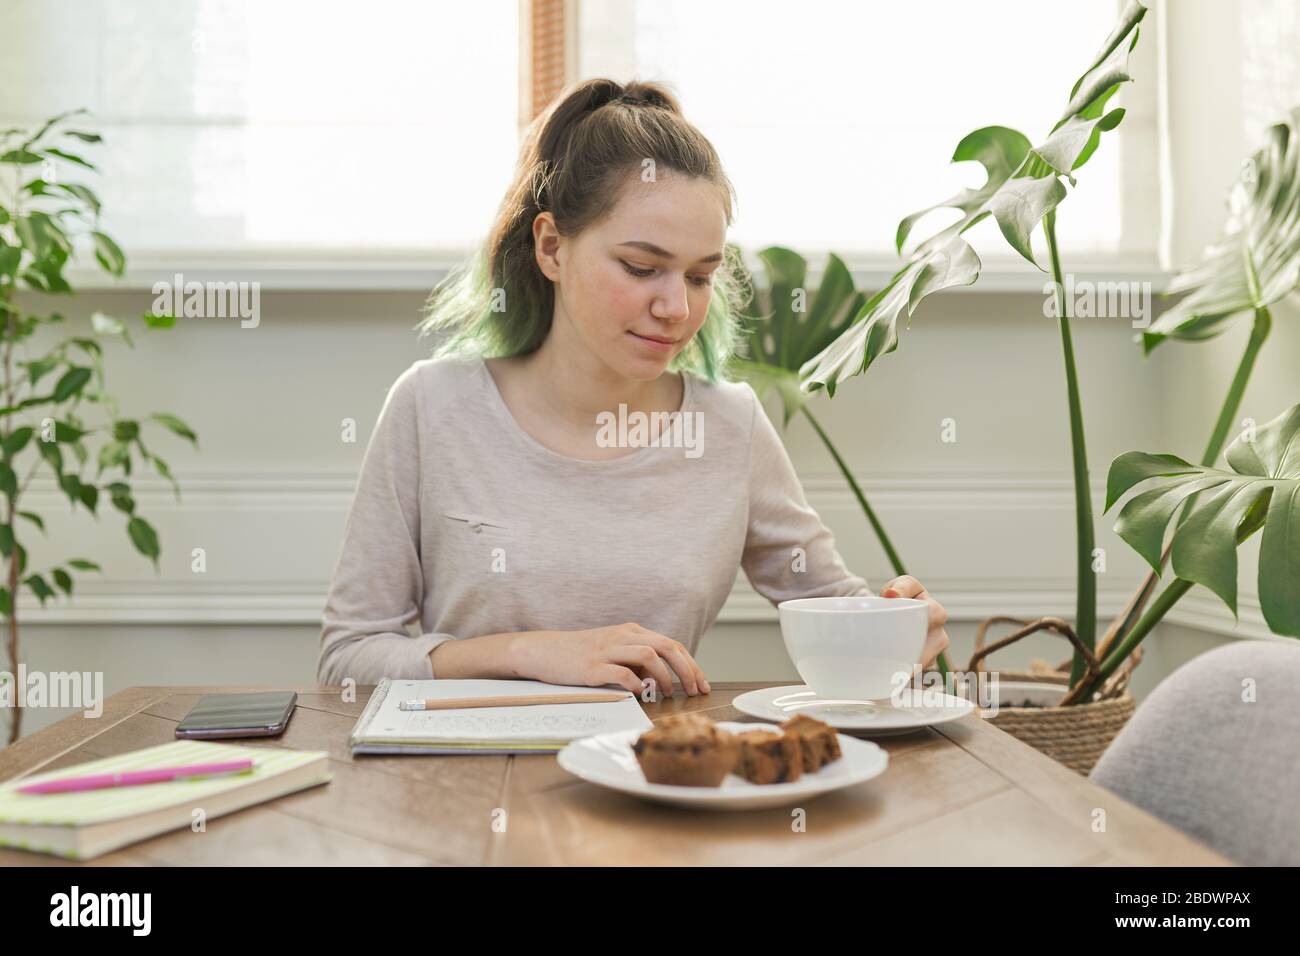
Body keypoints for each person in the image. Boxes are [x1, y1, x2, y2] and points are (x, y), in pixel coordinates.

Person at [317, 78, 949, 696]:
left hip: (660, 776)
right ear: (551, 248)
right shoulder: (432, 409)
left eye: (700, 277)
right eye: (642, 268)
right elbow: (349, 660)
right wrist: (532, 653)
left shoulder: (730, 426)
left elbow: (832, 606)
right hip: (473, 780)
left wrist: (894, 625)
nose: (676, 307)